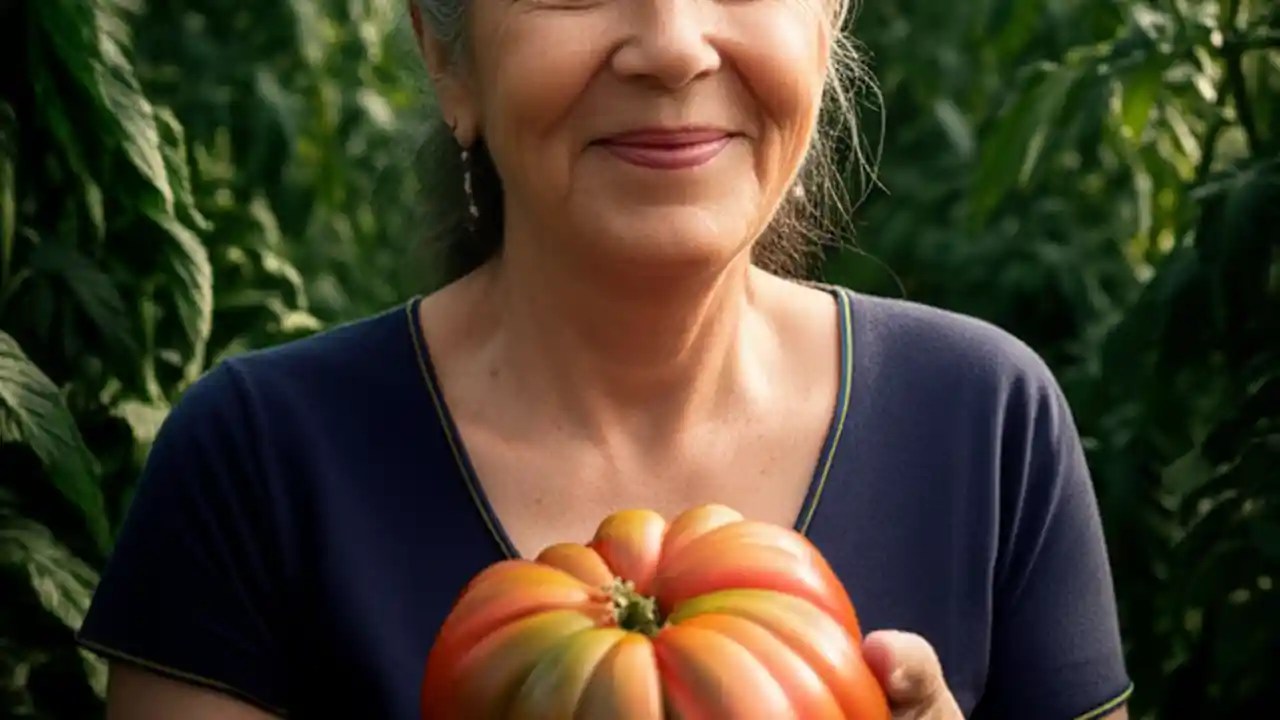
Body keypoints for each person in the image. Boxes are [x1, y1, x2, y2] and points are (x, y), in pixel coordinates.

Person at [77, 0, 1133, 717]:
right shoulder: (257, 464)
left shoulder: (984, 423)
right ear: (450, 58)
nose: (671, 46)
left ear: (825, 25)